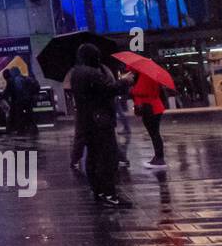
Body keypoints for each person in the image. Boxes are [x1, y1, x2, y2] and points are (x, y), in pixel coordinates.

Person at [69, 44, 134, 206]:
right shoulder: (92, 73)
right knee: (108, 158)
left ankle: (98, 191)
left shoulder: (76, 73)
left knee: (92, 157)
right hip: (100, 121)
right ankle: (109, 194)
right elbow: (108, 90)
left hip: (87, 121)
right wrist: (124, 81)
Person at [129, 68, 167, 170]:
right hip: (154, 107)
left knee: (154, 133)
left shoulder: (145, 76)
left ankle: (159, 158)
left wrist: (131, 88)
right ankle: (158, 157)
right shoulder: (148, 75)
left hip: (151, 108)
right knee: (154, 133)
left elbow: (140, 90)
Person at [1, 66, 39, 134]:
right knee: (30, 115)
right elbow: (36, 87)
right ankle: (34, 129)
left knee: (19, 116)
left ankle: (21, 131)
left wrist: (1, 97)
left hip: (18, 102)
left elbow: (6, 92)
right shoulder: (25, 78)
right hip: (28, 100)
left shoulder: (11, 80)